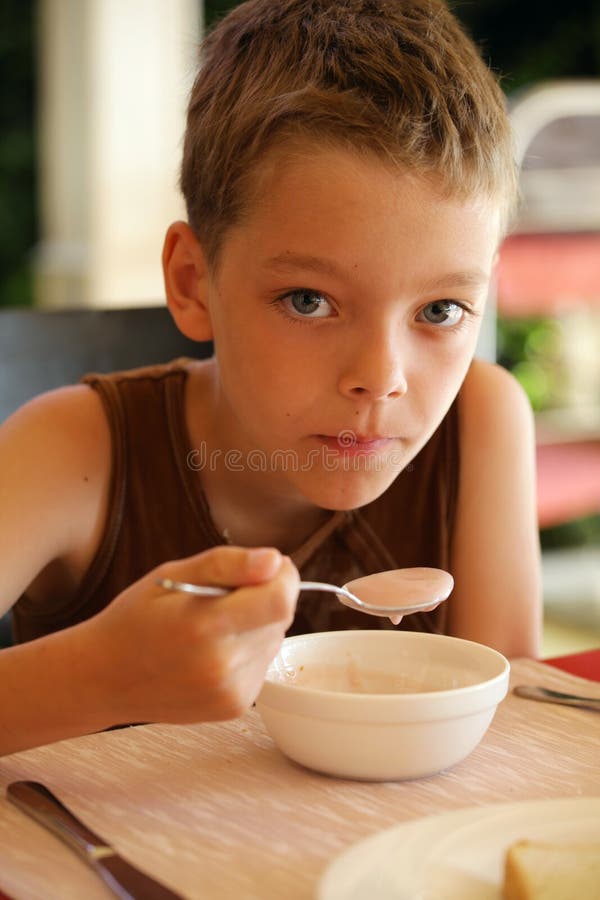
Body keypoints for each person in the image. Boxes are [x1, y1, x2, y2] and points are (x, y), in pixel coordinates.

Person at [0, 0, 541, 756]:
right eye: (309, 301)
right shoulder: (75, 452)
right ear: (193, 281)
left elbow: (514, 726)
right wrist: (100, 678)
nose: (380, 379)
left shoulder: (481, 422)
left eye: (442, 309)